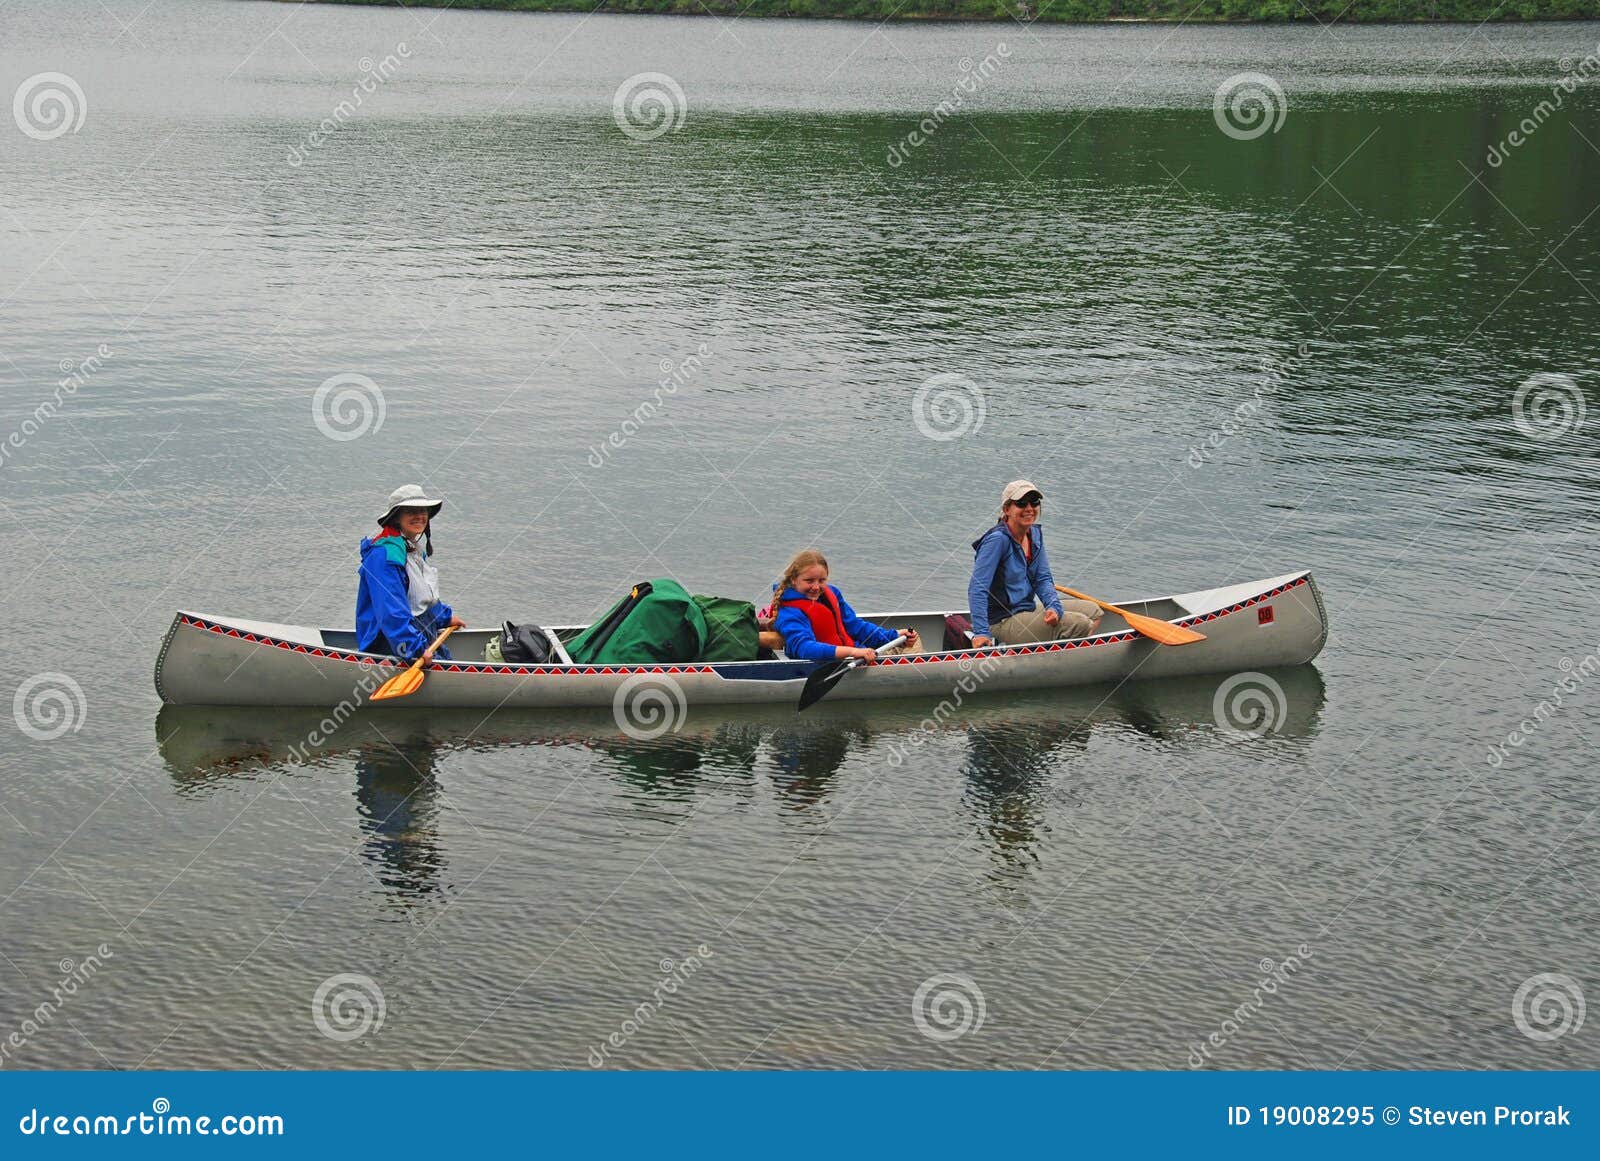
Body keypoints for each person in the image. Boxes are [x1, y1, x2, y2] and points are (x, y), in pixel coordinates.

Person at [968, 480, 1100, 648]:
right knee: (1079, 624)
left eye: (1034, 502)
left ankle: (1051, 657)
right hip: (1001, 620)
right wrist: (981, 632)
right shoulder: (997, 541)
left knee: (1094, 612)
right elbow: (977, 588)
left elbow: (1042, 579)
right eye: (1021, 503)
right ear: (1006, 509)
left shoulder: (1034, 535)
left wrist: (1053, 606)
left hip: (1025, 609)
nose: (1029, 508)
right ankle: (1052, 663)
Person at [356, 485, 465, 662]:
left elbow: (420, 598)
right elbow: (391, 612)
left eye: (423, 510)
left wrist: (444, 616)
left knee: (444, 656)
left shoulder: (412, 549)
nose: (419, 516)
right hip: (390, 644)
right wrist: (414, 648)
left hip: (415, 634)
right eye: (410, 511)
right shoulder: (384, 556)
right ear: (397, 517)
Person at [773, 549, 918, 663]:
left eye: (821, 580)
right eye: (809, 581)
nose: (816, 587)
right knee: (915, 649)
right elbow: (804, 648)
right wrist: (852, 652)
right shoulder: (790, 613)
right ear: (793, 580)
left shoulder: (832, 594)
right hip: (836, 663)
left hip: (859, 654)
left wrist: (892, 636)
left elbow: (856, 627)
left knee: (912, 639)